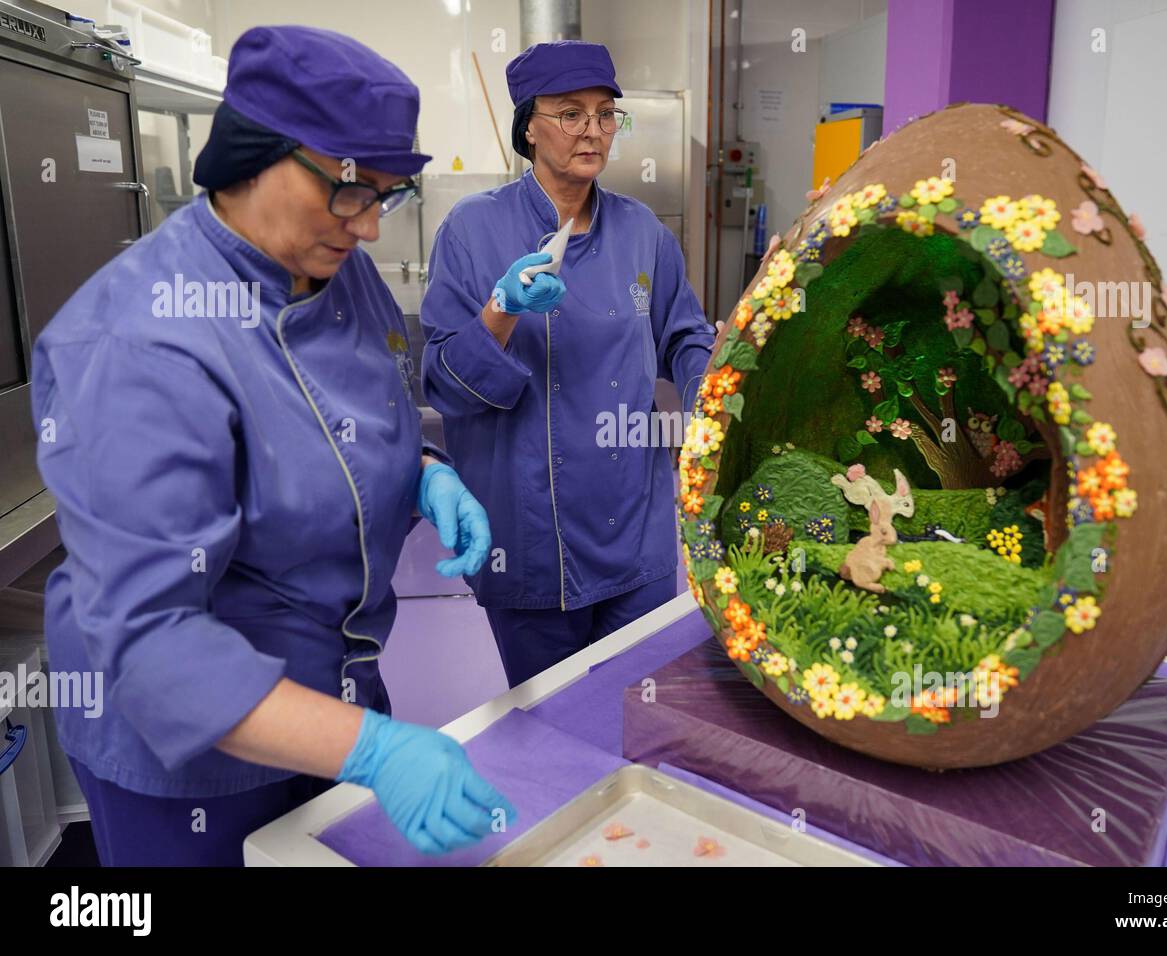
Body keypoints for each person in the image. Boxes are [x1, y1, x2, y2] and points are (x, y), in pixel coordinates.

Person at [31, 25, 513, 866]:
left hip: (333, 691)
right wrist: (373, 750)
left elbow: (349, 428)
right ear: (254, 153)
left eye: (387, 197)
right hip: (188, 752)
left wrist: (425, 476)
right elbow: (152, 640)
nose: (367, 229)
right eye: (351, 192)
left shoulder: (331, 267)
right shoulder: (139, 340)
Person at [420, 41, 715, 686]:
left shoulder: (644, 234)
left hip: (635, 534)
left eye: (606, 114)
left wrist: (715, 394)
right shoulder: (471, 232)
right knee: (551, 737)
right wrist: (501, 308)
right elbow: (442, 381)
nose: (593, 131)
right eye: (570, 113)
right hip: (530, 543)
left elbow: (686, 334)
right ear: (529, 124)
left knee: (641, 716)